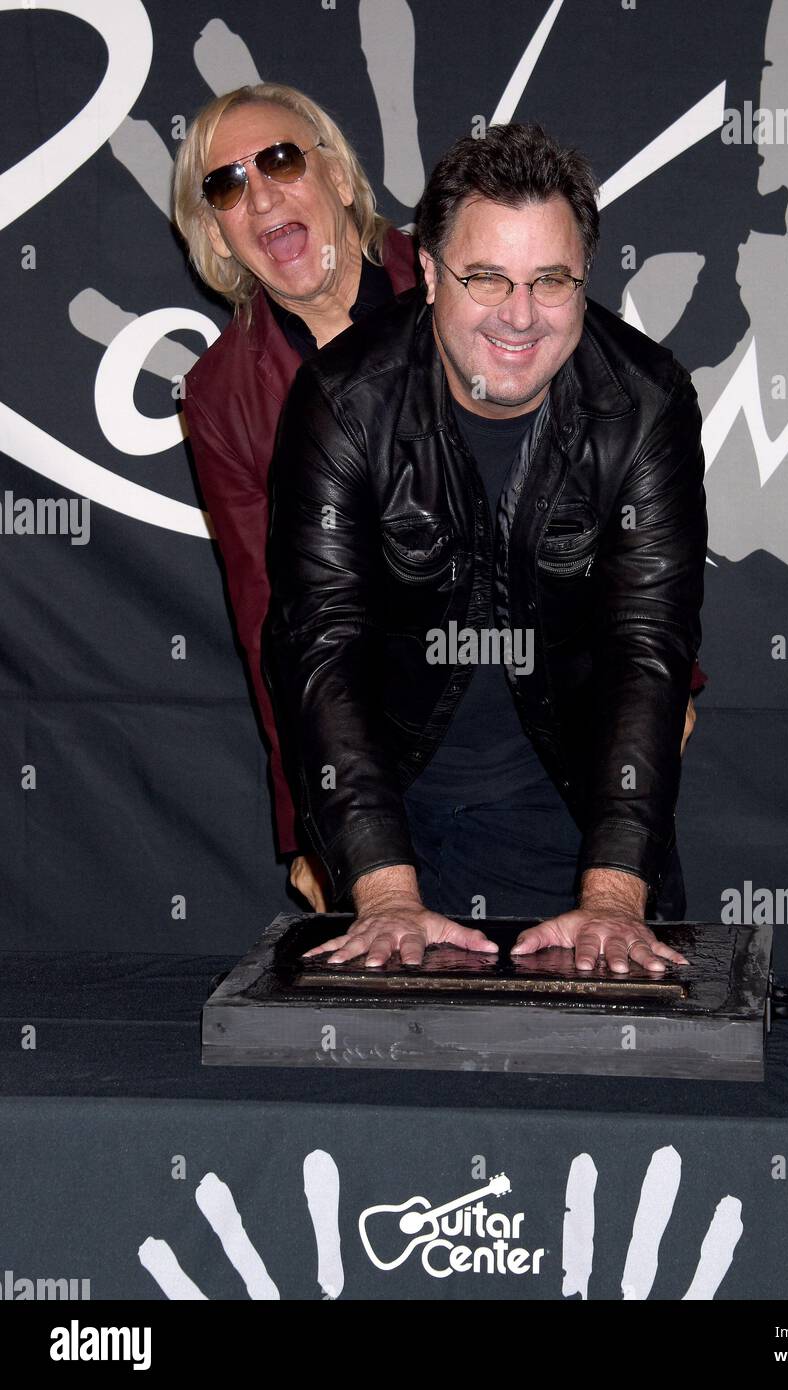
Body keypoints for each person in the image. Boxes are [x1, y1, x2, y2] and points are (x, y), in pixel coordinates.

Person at [264, 122, 707, 975]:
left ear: (584, 279)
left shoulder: (646, 403)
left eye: (550, 280)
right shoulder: (343, 401)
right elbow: (320, 645)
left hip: (580, 818)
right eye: (486, 277)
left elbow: (649, 648)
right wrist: (382, 889)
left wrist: (613, 895)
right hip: (390, 819)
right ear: (429, 274)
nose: (518, 314)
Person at [172, 83, 419, 912]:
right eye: (226, 185)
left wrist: (661, 687)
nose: (259, 192)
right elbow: (270, 622)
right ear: (218, 232)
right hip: (381, 750)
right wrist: (313, 822)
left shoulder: (469, 276)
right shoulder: (220, 394)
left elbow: (608, 490)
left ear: (340, 179)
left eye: (278, 159)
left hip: (544, 711)